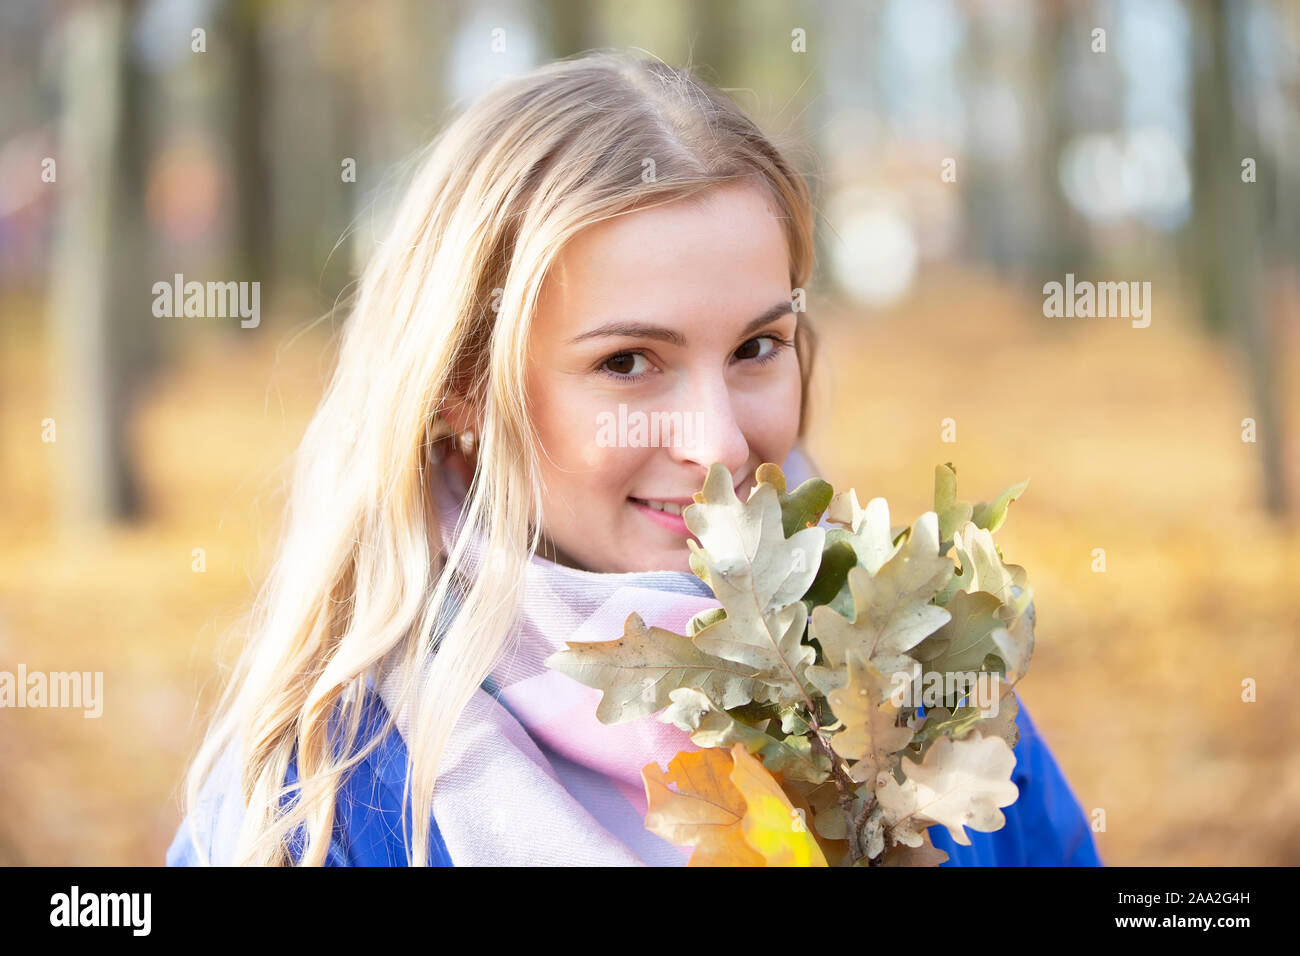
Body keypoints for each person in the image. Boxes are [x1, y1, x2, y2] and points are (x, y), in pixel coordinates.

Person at [166, 50, 1101, 867]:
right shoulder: (324, 806)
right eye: (627, 363)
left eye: (756, 347)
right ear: (459, 391)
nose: (722, 445)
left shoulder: (933, 708)